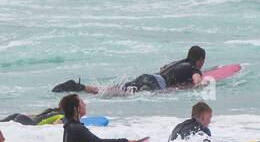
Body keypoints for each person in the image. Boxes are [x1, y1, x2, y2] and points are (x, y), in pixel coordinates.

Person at [53, 46, 207, 95]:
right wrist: (202, 84)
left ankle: (79, 87)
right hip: (155, 83)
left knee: (116, 89)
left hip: (149, 76)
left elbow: (163, 68)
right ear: (200, 60)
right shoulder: (194, 68)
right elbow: (197, 83)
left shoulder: (178, 62)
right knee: (119, 94)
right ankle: (81, 88)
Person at [59, 94, 135, 142]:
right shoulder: (77, 128)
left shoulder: (69, 125)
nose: (85, 104)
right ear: (76, 108)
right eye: (82, 102)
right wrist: (125, 141)